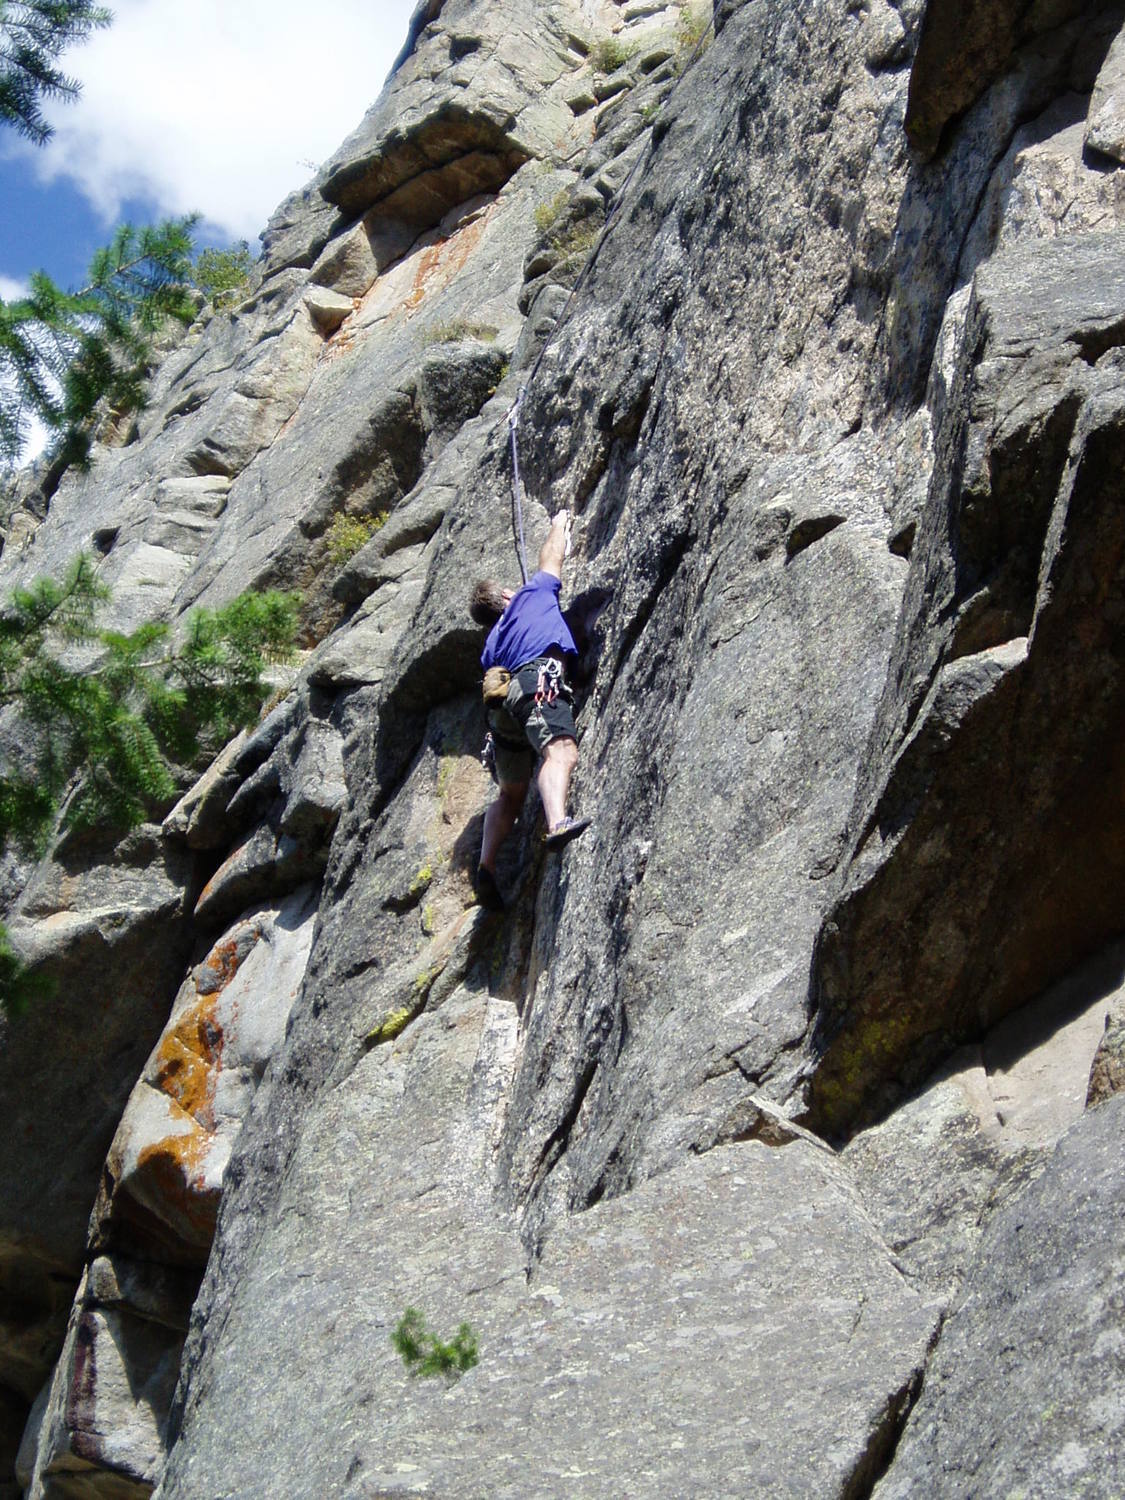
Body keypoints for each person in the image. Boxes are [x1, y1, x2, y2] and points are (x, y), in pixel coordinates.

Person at [469, 509, 591, 910]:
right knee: (560, 751)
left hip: (502, 711)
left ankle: (486, 864)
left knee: (510, 793)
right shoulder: (530, 596)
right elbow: (550, 559)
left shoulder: (491, 644)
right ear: (506, 596)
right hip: (536, 682)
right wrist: (559, 524)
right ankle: (557, 823)